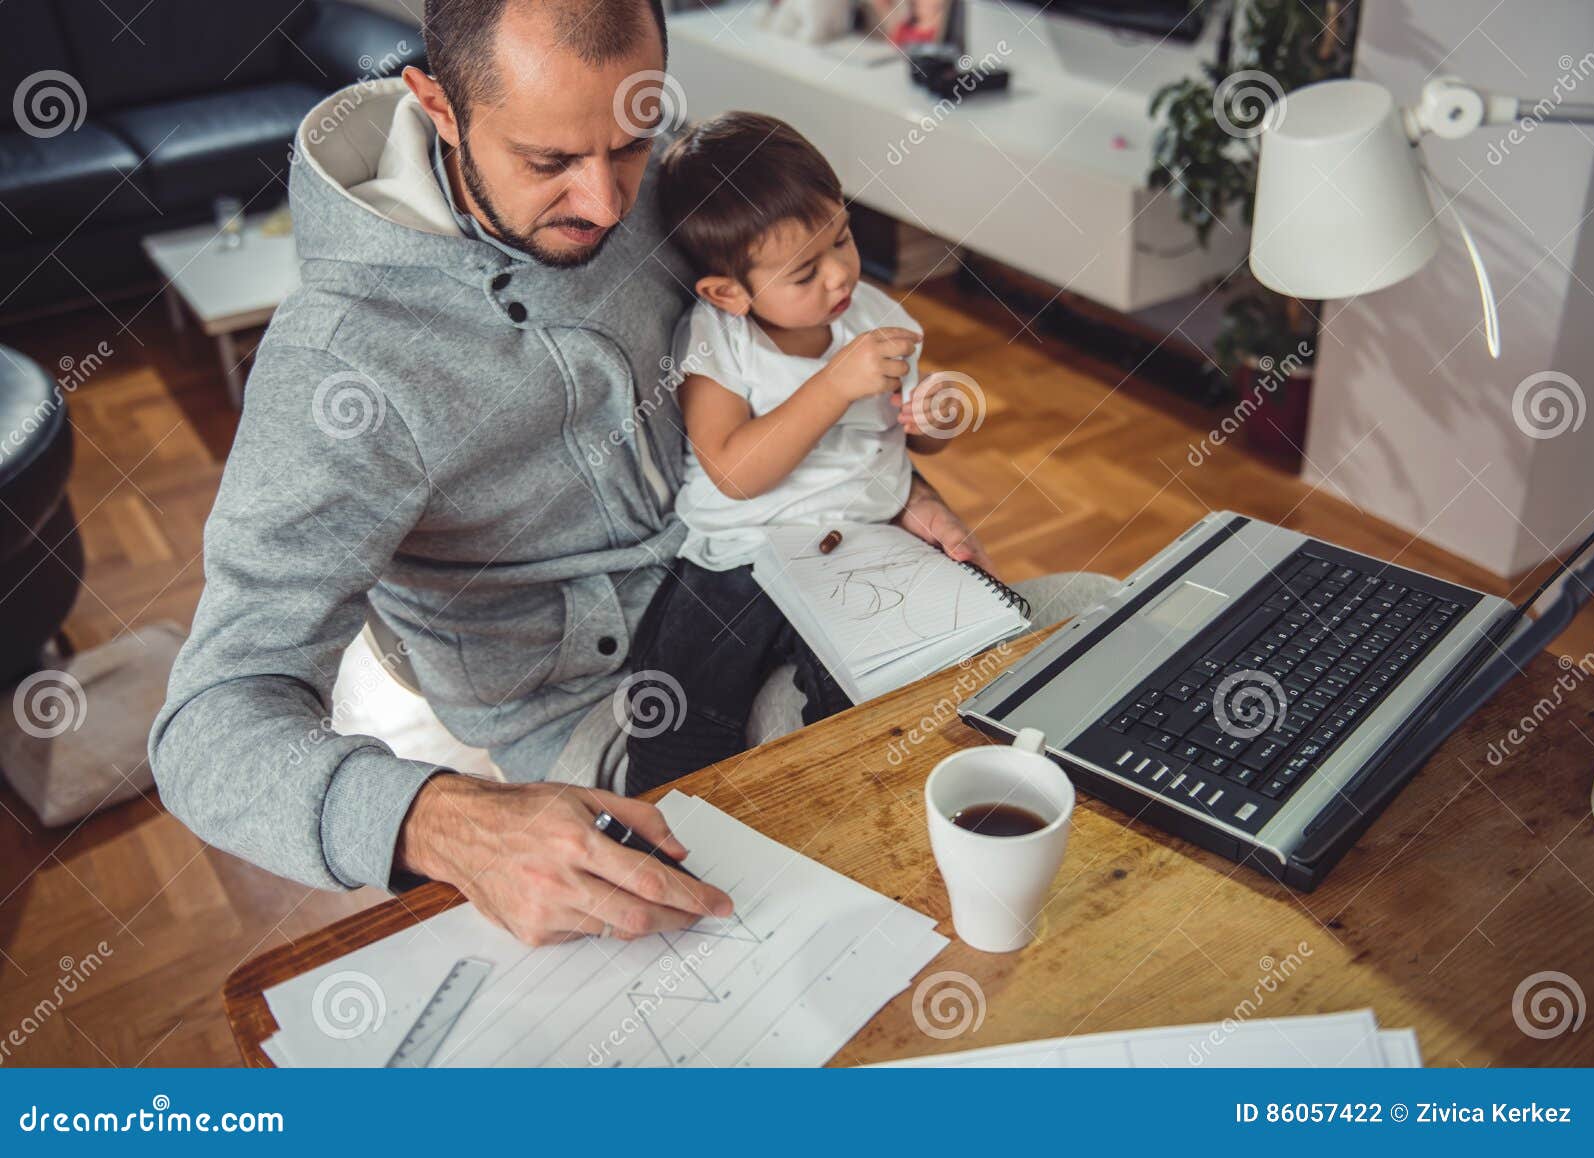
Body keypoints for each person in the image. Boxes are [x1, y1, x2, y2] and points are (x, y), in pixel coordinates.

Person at [147, 0, 1020, 948]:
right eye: (549, 162)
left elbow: (781, 347)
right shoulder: (338, 367)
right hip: (605, 714)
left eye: (633, 142)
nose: (608, 206)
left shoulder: (660, 176)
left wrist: (895, 476)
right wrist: (441, 821)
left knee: (1058, 644)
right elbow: (208, 726)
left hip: (785, 556)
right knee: (944, 771)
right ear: (439, 107)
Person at [622, 112, 978, 793]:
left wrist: (934, 415)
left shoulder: (872, 316)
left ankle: (854, 810)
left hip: (860, 543)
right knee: (678, 714)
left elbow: (910, 433)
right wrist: (835, 384)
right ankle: (671, 833)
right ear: (729, 293)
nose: (841, 275)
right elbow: (732, 470)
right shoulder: (720, 339)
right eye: (804, 272)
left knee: (869, 699)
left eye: (842, 237)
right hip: (739, 556)